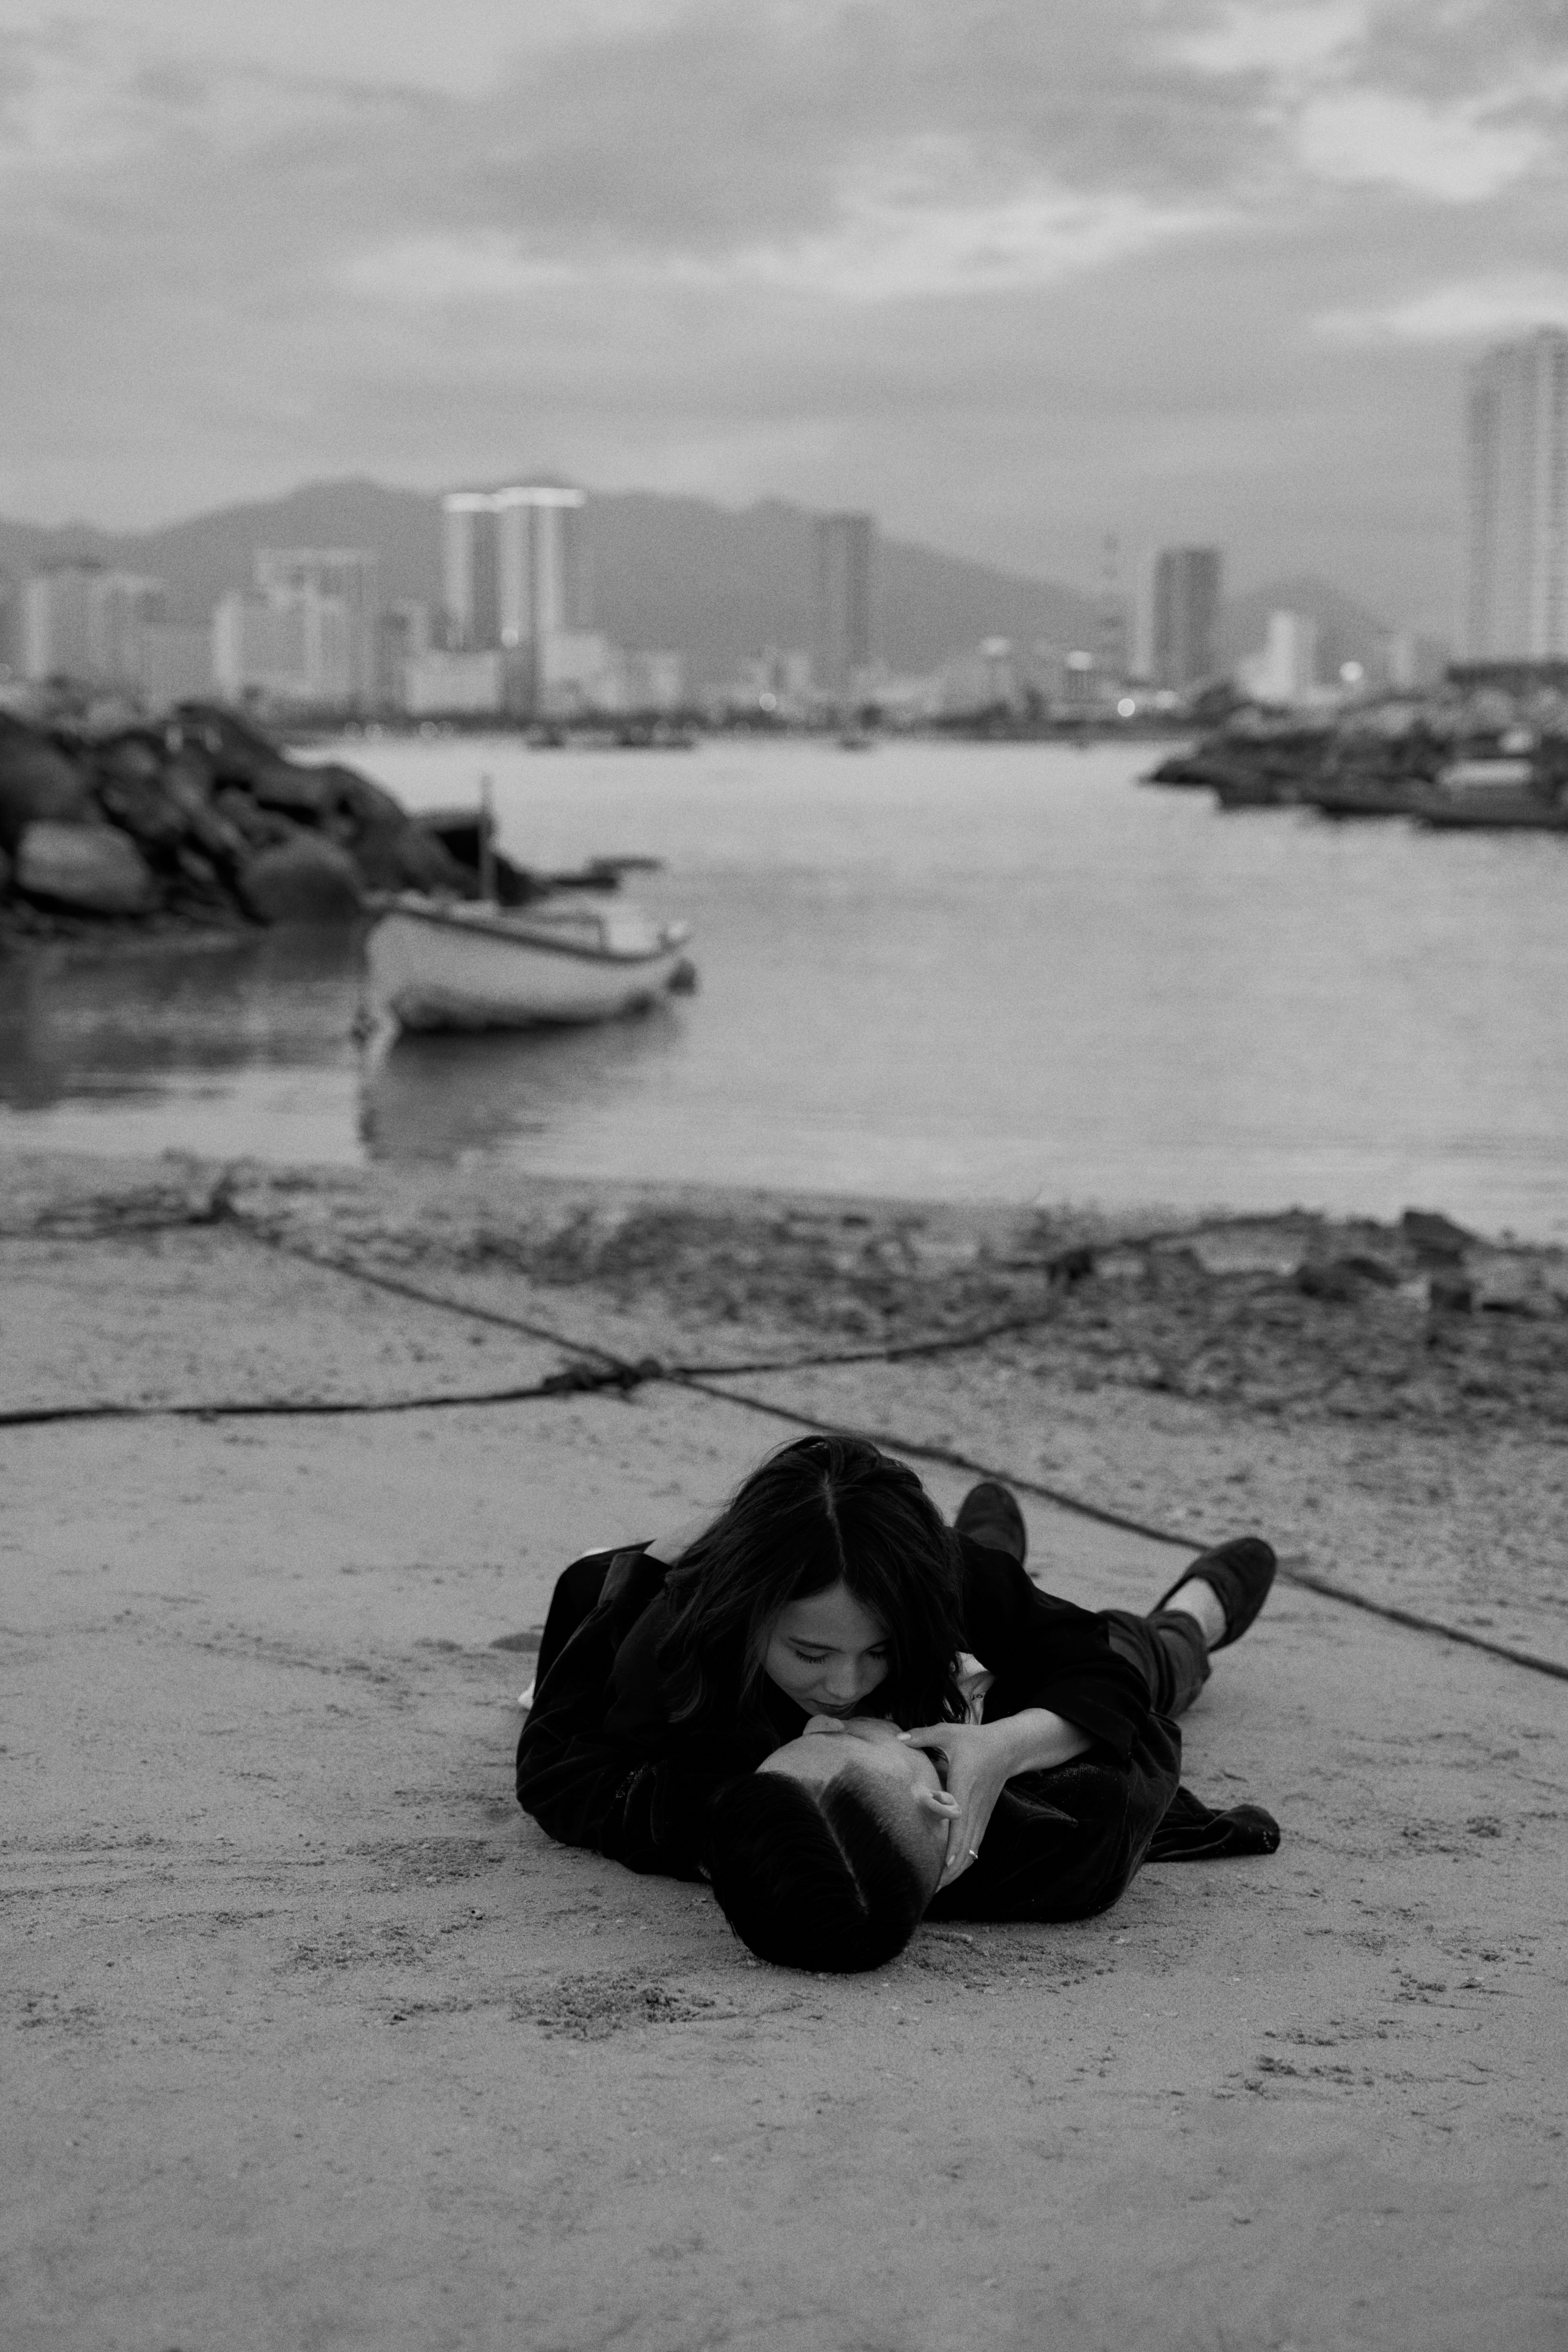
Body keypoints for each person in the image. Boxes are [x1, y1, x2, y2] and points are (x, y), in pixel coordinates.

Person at [515, 1433, 1278, 1970]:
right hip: (981, 1655)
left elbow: (556, 1767)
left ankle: (990, 1552)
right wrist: (1011, 1742)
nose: (842, 1694)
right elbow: (1123, 1704)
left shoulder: (713, 1806)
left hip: (945, 1613)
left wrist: (649, 1567)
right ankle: (1196, 1612)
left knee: (992, 1592)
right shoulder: (1067, 1843)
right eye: (810, 1655)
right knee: (1143, 1653)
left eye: (875, 1651)